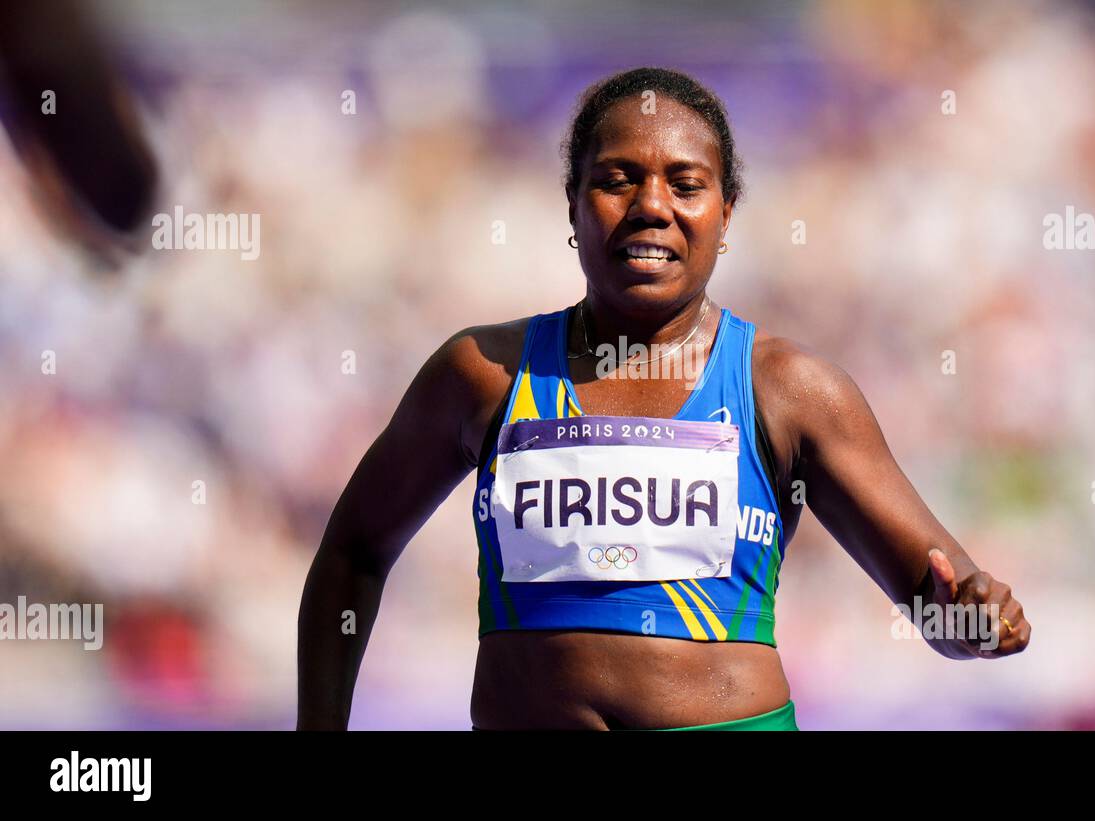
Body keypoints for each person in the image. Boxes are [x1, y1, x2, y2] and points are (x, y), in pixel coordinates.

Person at [297, 66, 1030, 731]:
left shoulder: (790, 390)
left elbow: (939, 601)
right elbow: (353, 552)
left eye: (686, 184)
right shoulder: (484, 372)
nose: (652, 206)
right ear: (573, 203)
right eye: (618, 178)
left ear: (727, 212)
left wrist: (972, 619)